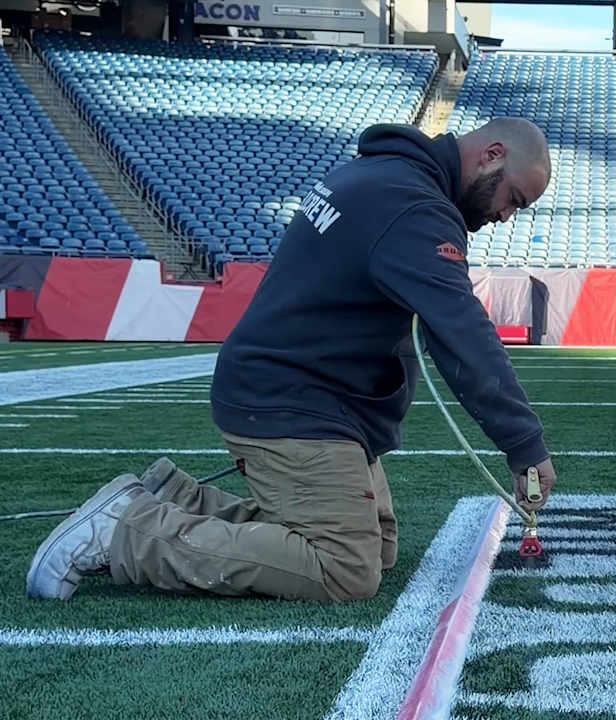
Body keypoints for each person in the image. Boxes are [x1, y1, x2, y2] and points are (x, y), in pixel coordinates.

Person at [26, 118, 557, 602]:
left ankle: (175, 500)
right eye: (515, 199)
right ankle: (126, 529)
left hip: (302, 395)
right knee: (344, 568)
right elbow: (460, 331)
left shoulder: (379, 174)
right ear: (491, 154)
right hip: (292, 403)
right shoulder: (415, 207)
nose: (505, 216)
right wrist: (523, 445)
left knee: (379, 548)